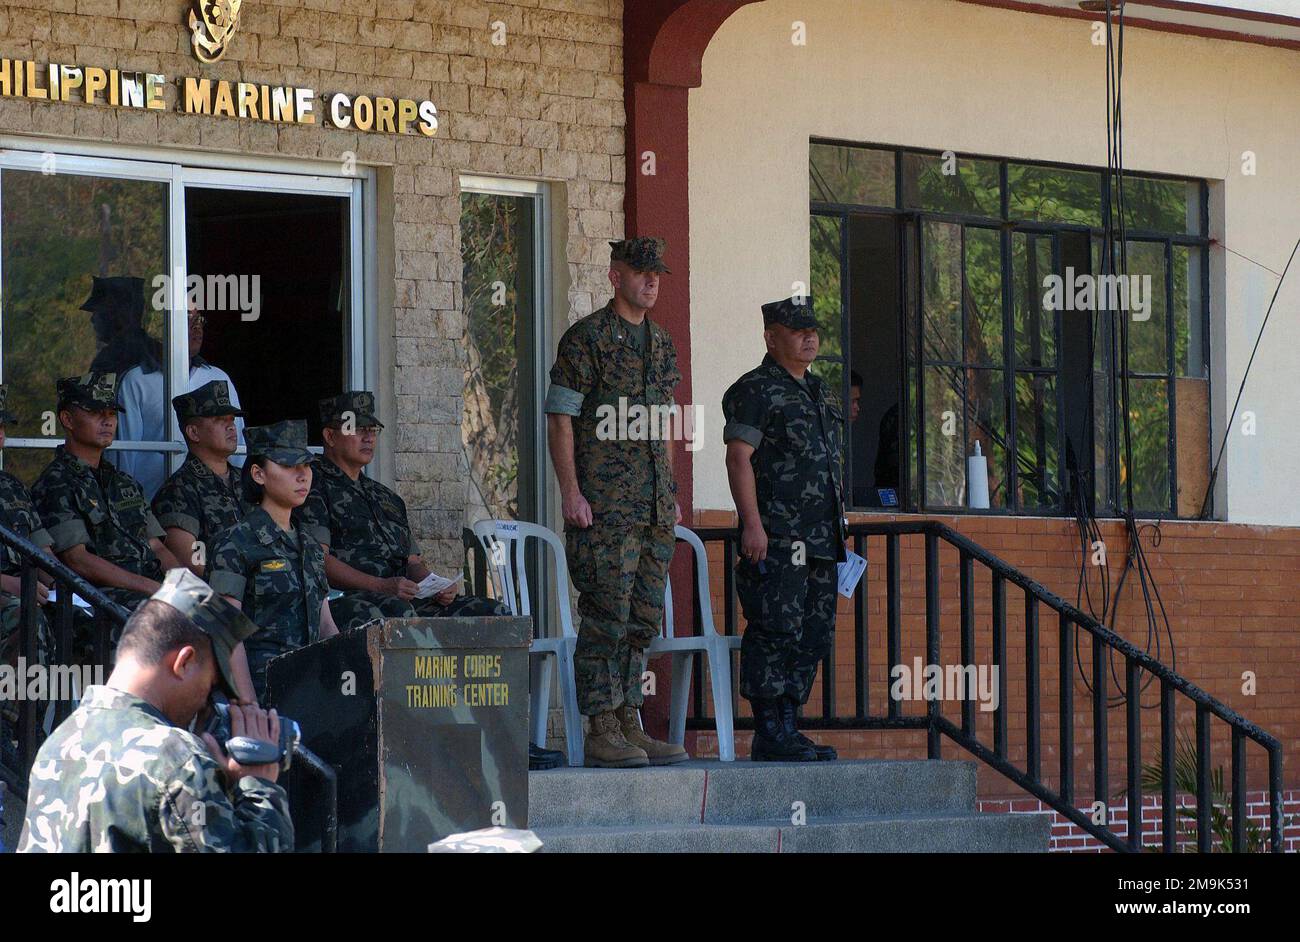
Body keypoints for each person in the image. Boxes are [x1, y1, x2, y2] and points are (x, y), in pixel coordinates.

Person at [17, 568, 294, 852]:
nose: (206, 704)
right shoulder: (175, 758)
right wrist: (259, 785)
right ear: (184, 662)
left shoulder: (61, 741)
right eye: (210, 686)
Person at [544, 237, 687, 768]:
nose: (651, 281)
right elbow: (560, 417)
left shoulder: (662, 343)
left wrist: (669, 491)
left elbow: (663, 423)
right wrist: (571, 492)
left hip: (651, 507)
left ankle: (630, 716)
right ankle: (601, 725)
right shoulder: (587, 340)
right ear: (615, 276)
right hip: (602, 507)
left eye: (657, 274)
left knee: (642, 617)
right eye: (641, 272)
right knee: (607, 612)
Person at [722, 295, 846, 762]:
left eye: (812, 329)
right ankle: (768, 729)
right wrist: (752, 525)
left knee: (814, 632)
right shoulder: (755, 390)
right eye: (797, 331)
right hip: (776, 536)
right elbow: (738, 458)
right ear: (771, 337)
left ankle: (790, 723)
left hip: (821, 539)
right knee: (775, 628)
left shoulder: (821, 391)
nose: (809, 337)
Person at [295, 391, 508, 630]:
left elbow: (412, 562)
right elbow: (318, 561)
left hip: (401, 600)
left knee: (495, 614)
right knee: (398, 614)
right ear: (330, 436)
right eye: (357, 428)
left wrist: (434, 584)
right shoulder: (310, 485)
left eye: (373, 430)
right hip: (347, 602)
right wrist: (381, 586)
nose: (368, 437)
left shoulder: (386, 498)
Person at [32, 372, 182, 626]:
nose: (107, 420)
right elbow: (77, 560)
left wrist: (185, 588)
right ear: (67, 419)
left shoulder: (124, 482)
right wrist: (153, 588)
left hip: (150, 589)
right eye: (95, 412)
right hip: (98, 598)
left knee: (223, 620)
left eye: (111, 413)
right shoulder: (56, 483)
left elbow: (156, 546)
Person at [208, 420, 338, 703]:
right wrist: (249, 705)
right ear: (258, 474)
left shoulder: (310, 546)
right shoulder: (235, 543)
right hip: (262, 692)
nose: (302, 475)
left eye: (306, 466)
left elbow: (325, 626)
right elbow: (229, 634)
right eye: (289, 466)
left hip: (311, 693)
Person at [117, 303, 247, 500]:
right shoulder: (136, 380)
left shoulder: (218, 378)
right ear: (160, 327)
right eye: (187, 318)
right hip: (150, 502)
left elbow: (237, 450)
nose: (197, 327)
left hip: (214, 504)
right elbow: (124, 455)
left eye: (200, 320)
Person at [152, 380, 250, 578]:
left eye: (231, 419)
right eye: (219, 420)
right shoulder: (178, 490)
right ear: (193, 432)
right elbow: (190, 560)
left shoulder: (248, 481)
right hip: (222, 597)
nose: (231, 426)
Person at [0, 384, 55, 663]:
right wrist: (7, 583)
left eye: (1, 426)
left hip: (28, 592)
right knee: (25, 618)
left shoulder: (11, 486)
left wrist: (63, 587)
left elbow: (43, 554)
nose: (0, 435)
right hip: (13, 600)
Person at [83, 276, 163, 378]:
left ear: (114, 313)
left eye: (98, 311)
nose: (93, 319)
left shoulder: (109, 360)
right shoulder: (158, 350)